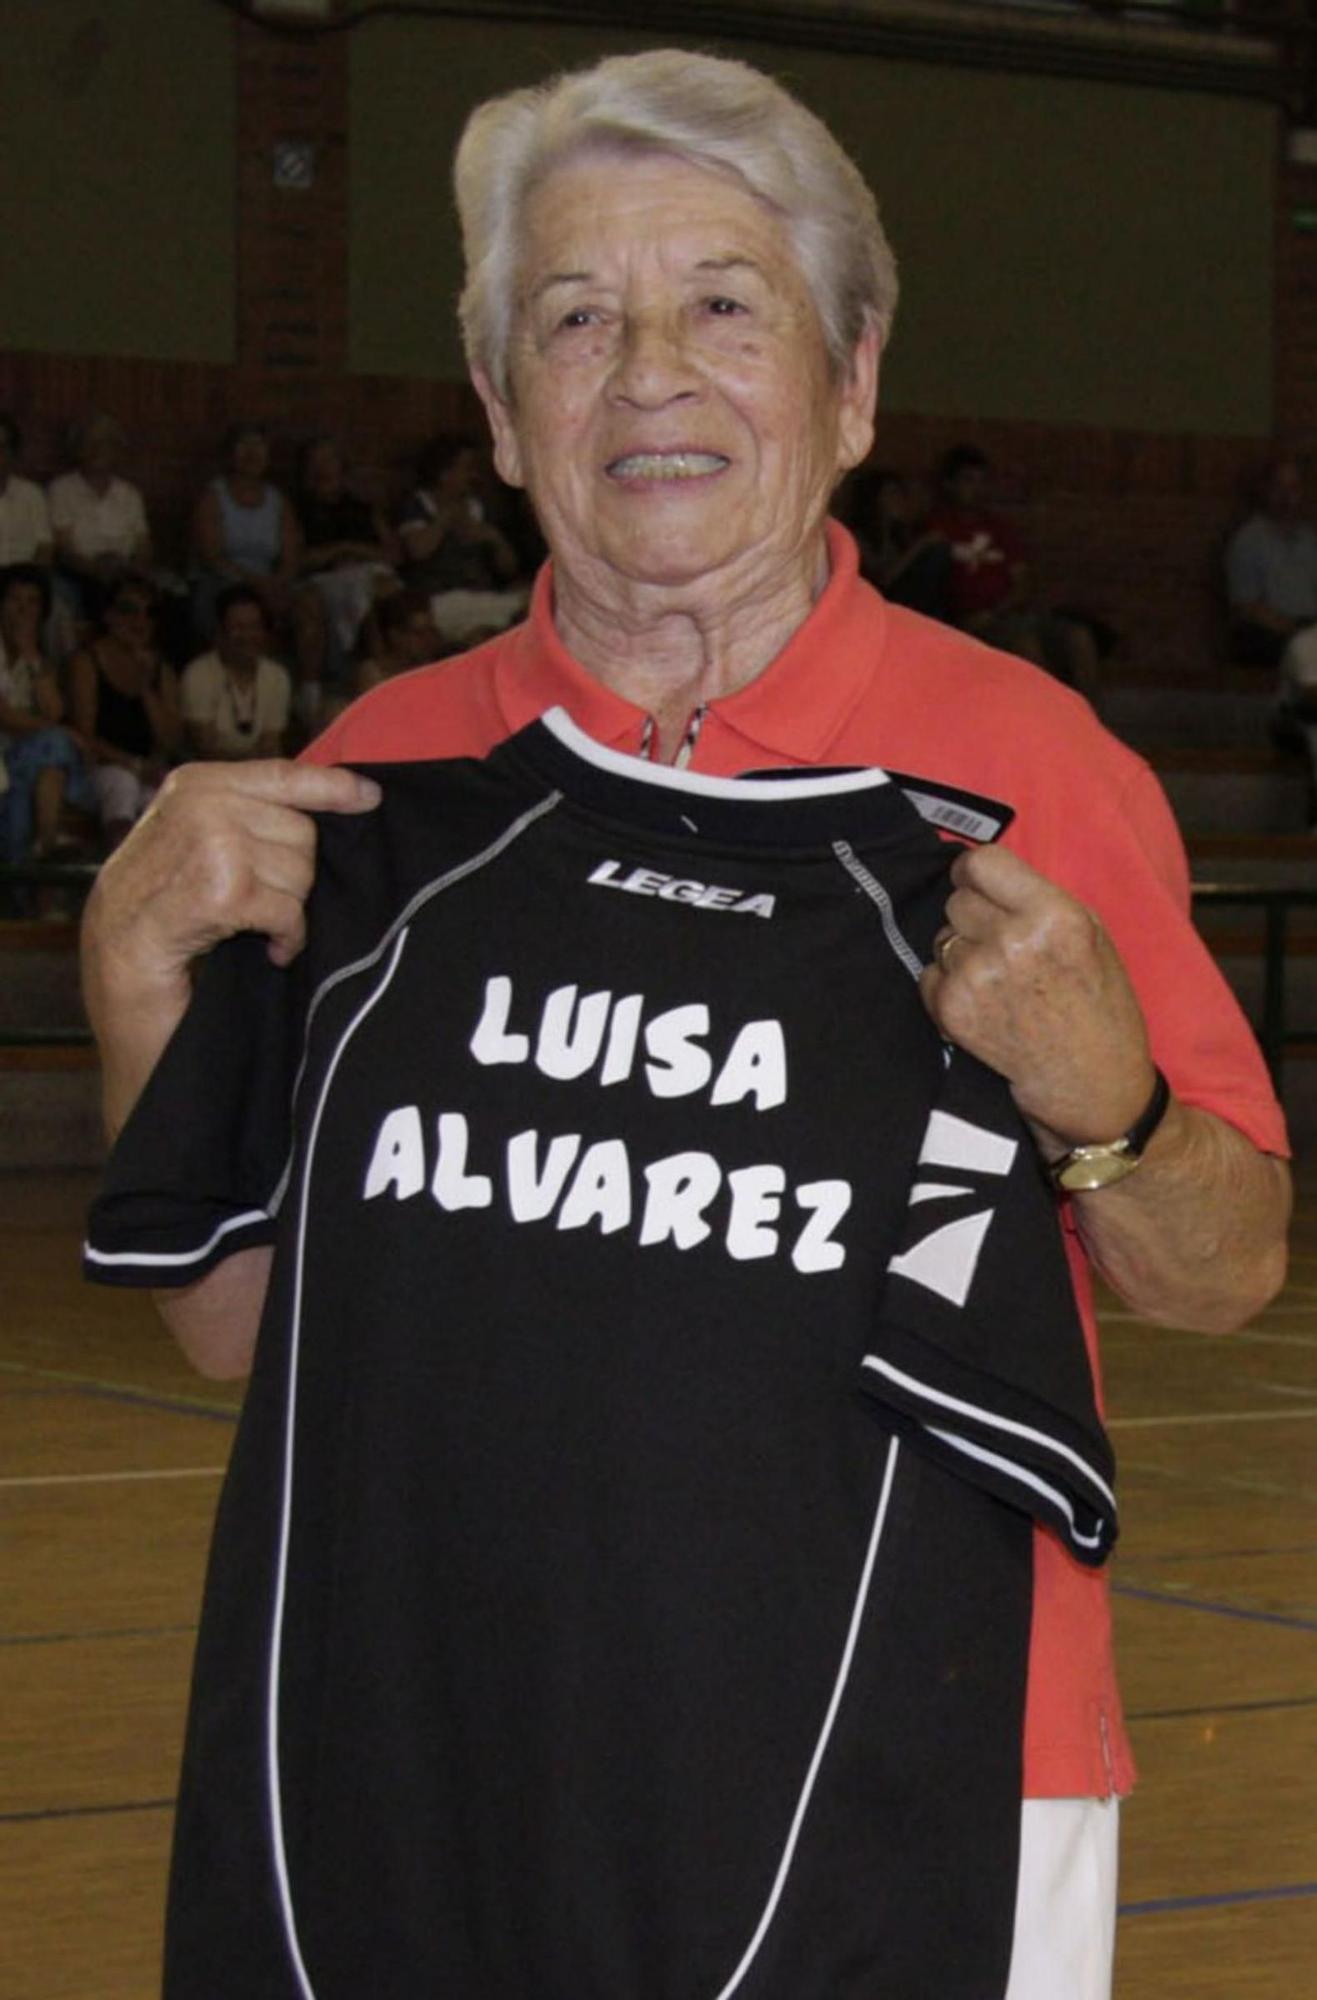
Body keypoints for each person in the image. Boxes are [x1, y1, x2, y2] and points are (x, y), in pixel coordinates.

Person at [81, 48, 1289, 2000]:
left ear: (851, 381)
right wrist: (144, 996)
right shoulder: (377, 788)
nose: (647, 370)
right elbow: (237, 1324)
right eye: (573, 318)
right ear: (496, 409)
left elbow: (1226, 1273)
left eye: (724, 304)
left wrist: (1107, 1104)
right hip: (437, 1770)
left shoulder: (1026, 768)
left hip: (927, 1770)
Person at [929, 443, 1102, 699]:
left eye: (981, 481)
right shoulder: (937, 528)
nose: (975, 489)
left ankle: (1088, 725)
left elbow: (1022, 582)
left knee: (1079, 636)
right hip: (966, 622)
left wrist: (997, 612)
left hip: (1008, 615)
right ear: (950, 484)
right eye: (968, 481)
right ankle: (1044, 721)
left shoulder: (999, 529)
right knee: (1025, 645)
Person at [291, 434, 399, 725]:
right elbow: (297, 558)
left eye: (330, 461)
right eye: (317, 463)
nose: (324, 469)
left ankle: (379, 680)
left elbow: (392, 554)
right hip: (322, 579)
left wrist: (355, 550)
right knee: (310, 602)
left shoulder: (362, 506)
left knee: (386, 591)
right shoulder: (297, 508)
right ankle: (312, 694)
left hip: (366, 574)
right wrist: (338, 551)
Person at [68, 575, 180, 847]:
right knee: (123, 784)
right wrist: (133, 765)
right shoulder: (87, 661)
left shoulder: (160, 668)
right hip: (98, 770)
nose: (139, 620)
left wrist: (145, 687)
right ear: (108, 615)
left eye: (148, 612)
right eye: (128, 610)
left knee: (165, 796)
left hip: (146, 770)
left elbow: (172, 739)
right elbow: (85, 733)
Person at [0, 564, 93, 871]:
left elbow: (54, 710)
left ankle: (46, 847)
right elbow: (4, 716)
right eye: (15, 600)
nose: (24, 610)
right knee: (56, 744)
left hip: (24, 754)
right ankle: (49, 845)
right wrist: (63, 732)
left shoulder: (38, 654)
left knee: (49, 763)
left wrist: (30, 655)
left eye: (32, 602)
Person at [396, 432, 528, 643]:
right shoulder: (418, 505)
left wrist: (494, 539)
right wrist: (445, 520)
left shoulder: (478, 507)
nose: (473, 476)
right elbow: (418, 551)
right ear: (444, 473)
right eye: (466, 469)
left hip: (481, 596)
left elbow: (509, 569)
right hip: (440, 600)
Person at [190, 421, 301, 646]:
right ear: (230, 453)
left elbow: (291, 555)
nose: (252, 453)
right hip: (224, 580)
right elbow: (212, 557)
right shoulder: (213, 497)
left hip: (270, 582)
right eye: (243, 445)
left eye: (258, 445)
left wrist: (277, 583)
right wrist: (256, 583)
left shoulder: (278, 501)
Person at [47, 413, 154, 610]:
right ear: (78, 449)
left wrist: (133, 571)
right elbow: (64, 550)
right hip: (81, 573)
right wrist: (98, 570)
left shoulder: (130, 494)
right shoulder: (61, 489)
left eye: (106, 443)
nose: (98, 450)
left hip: (125, 572)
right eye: (91, 443)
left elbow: (143, 545)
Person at [1224, 453, 1317, 668]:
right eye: (1279, 487)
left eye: (1293, 488)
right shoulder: (1248, 541)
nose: (1286, 497)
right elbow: (1246, 606)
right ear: (1265, 491)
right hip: (1271, 635)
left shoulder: (1309, 540)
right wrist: (1295, 630)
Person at [180, 584, 292, 761]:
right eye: (238, 627)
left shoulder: (277, 677)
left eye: (254, 626)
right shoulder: (198, 674)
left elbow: (270, 745)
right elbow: (205, 748)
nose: (247, 636)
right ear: (220, 632)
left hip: (259, 775)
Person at [845, 462, 953, 618]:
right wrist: (920, 545)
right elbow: (884, 579)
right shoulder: (857, 536)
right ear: (876, 499)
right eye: (891, 494)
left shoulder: (902, 532)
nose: (899, 500)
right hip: (876, 604)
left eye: (900, 494)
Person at [353, 585, 441, 696]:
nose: (429, 639)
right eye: (419, 634)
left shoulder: (436, 661)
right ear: (396, 636)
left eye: (431, 630)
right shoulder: (374, 675)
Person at [0, 413, 53, 570]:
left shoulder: (31, 494)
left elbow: (45, 546)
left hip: (23, 582)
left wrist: (34, 580)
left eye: (2, 447)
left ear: (13, 453)